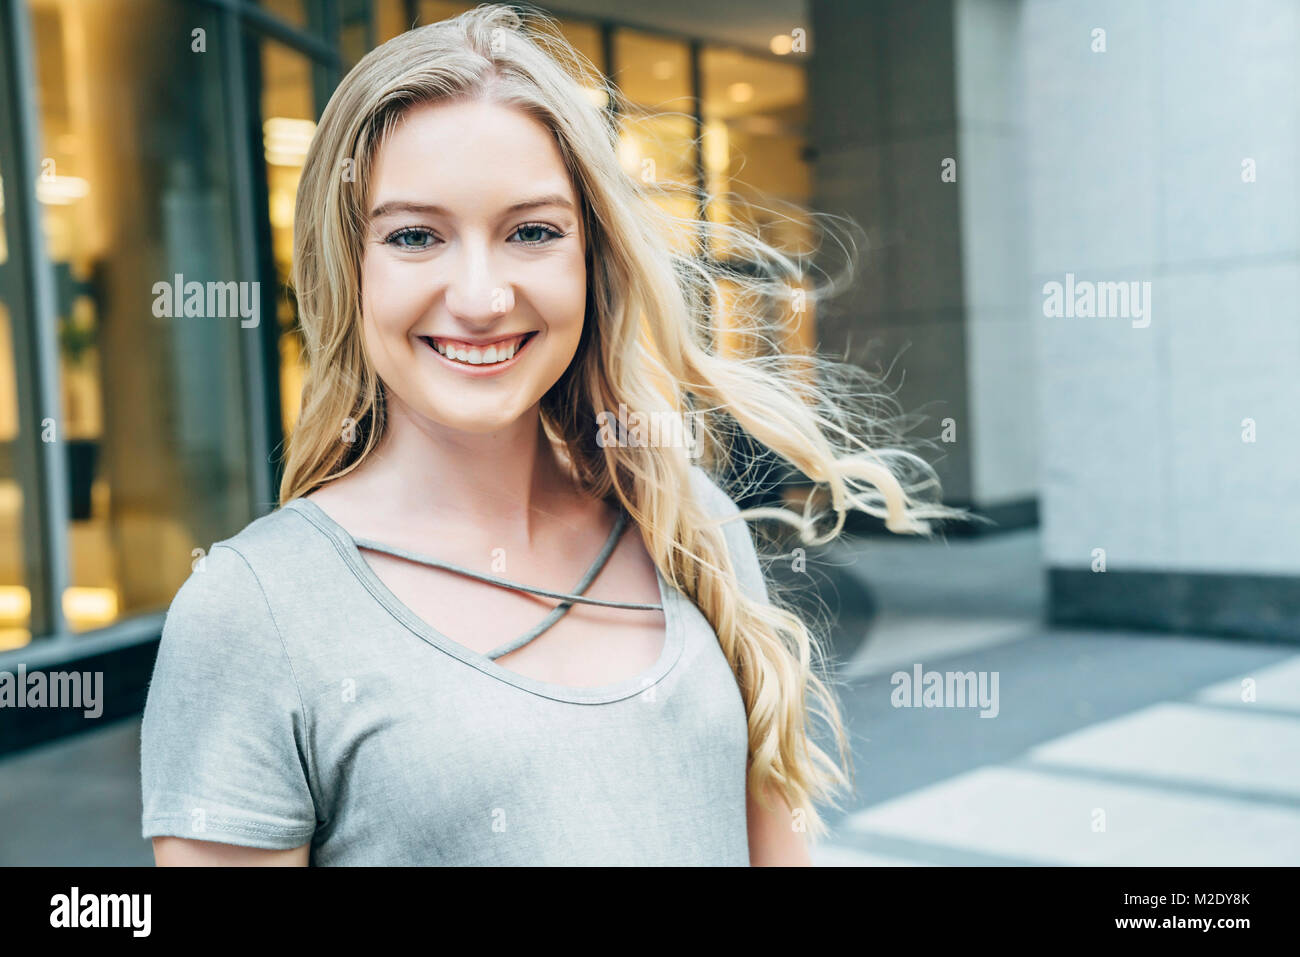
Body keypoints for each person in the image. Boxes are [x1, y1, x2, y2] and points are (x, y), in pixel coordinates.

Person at [140, 4, 968, 866]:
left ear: (590, 256)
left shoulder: (688, 524)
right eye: (415, 235)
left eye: (531, 232)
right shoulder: (252, 611)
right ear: (348, 267)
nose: (481, 294)